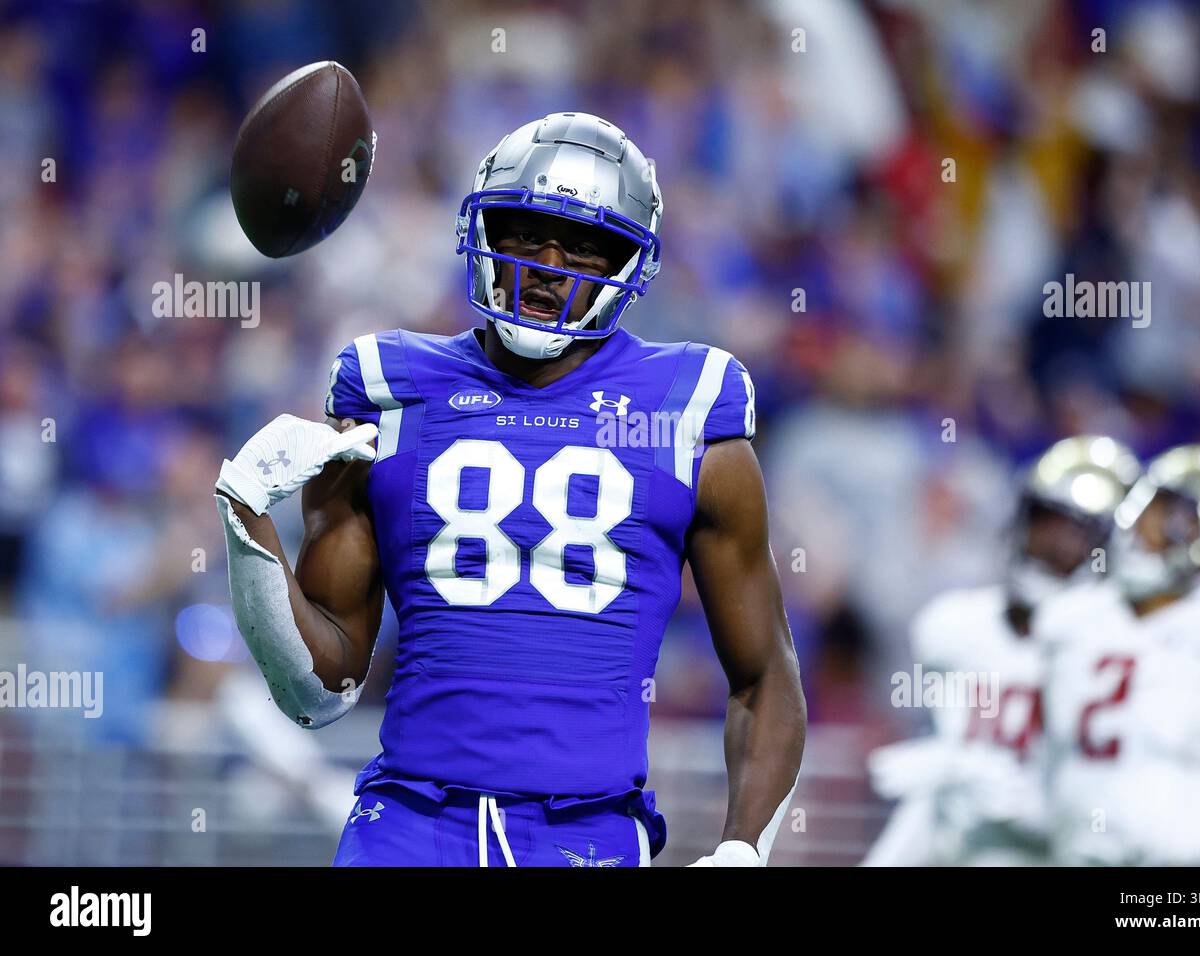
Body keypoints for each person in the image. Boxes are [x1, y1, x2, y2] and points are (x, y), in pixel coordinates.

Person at [214, 112, 805, 867]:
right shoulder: (388, 390)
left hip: (588, 832)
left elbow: (764, 675)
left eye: (584, 244)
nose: (551, 265)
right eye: (525, 233)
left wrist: (743, 849)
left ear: (629, 262)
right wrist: (246, 520)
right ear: (482, 232)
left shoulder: (687, 412)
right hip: (408, 825)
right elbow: (317, 694)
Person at [864, 435, 1138, 865]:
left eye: (1075, 534)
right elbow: (938, 805)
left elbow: (1118, 821)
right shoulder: (957, 628)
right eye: (1044, 522)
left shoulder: (1122, 653)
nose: (1051, 545)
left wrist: (1009, 794)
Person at [1039, 444, 1200, 865]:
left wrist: (1198, 855)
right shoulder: (1071, 622)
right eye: (1147, 509)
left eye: (1172, 517)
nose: (1146, 528)